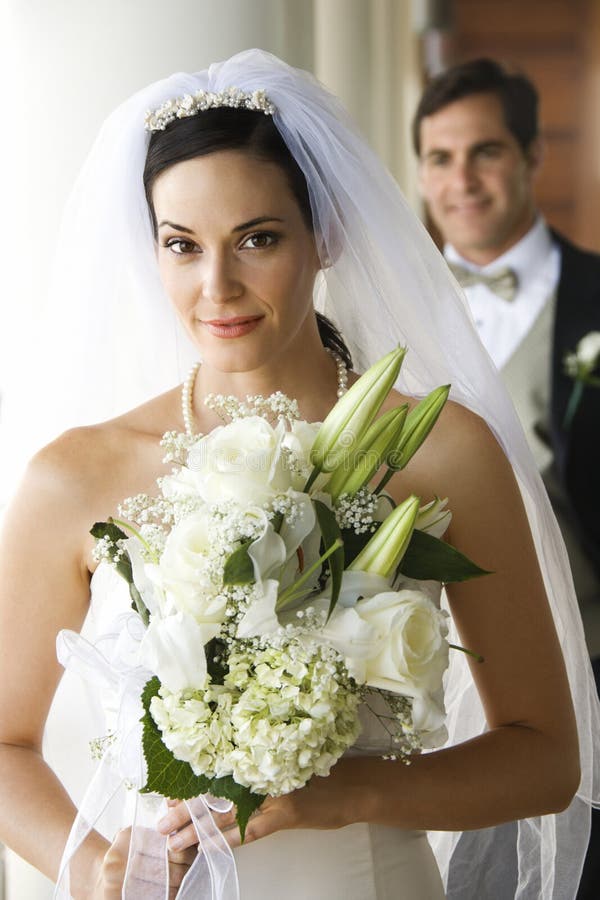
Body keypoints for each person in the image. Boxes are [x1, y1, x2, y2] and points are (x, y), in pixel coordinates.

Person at [0, 49, 597, 900]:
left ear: (328, 234)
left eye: (258, 238)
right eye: (181, 245)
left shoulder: (441, 453)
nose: (217, 287)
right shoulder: (78, 476)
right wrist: (96, 862)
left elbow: (545, 755)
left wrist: (350, 794)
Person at [412, 57, 600, 610]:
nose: (462, 181)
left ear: (532, 155)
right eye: (440, 159)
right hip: (430, 655)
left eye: (485, 152)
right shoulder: (382, 310)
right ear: (421, 173)